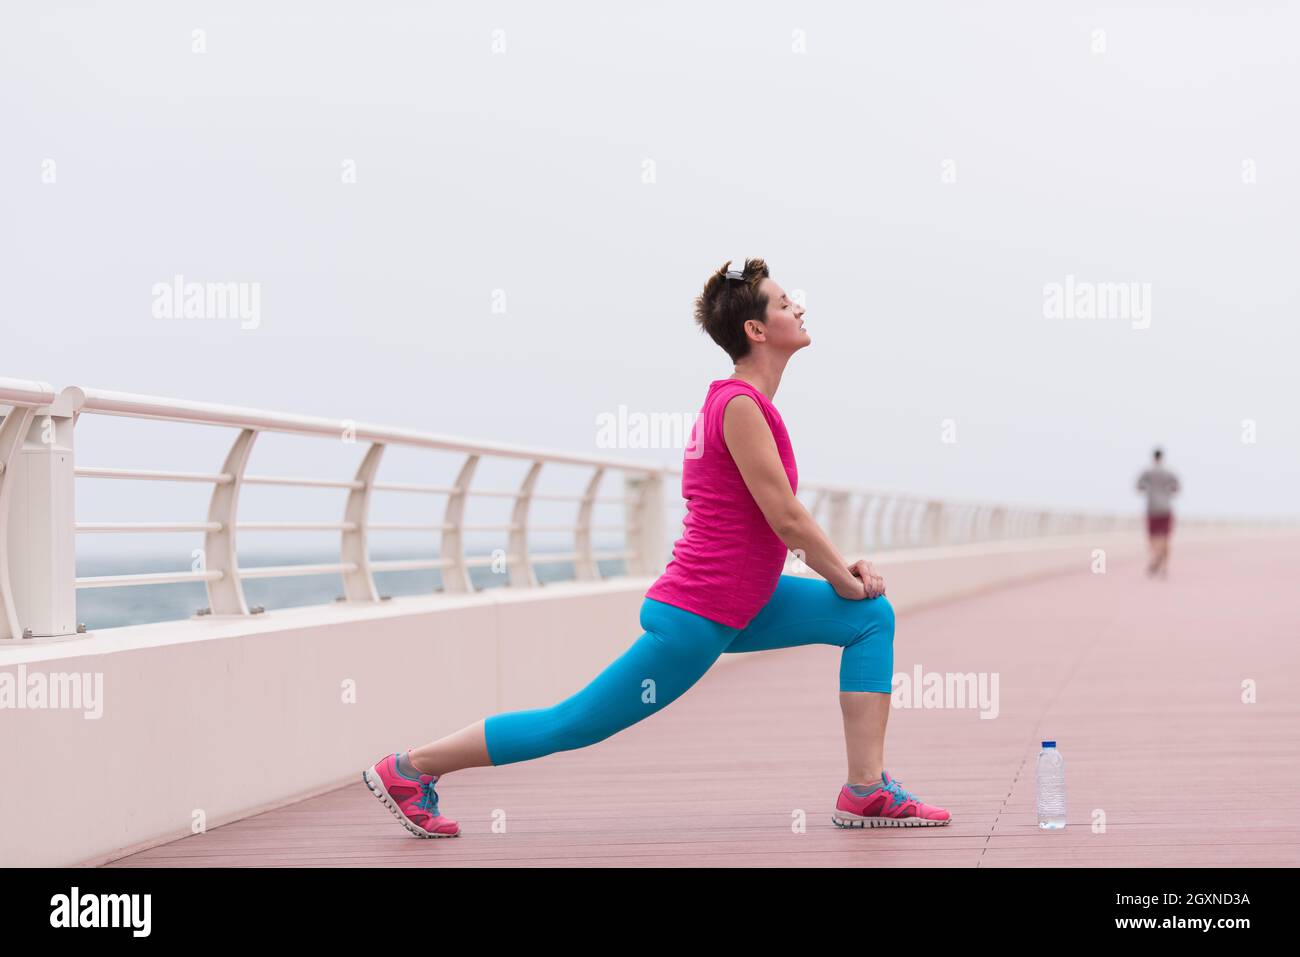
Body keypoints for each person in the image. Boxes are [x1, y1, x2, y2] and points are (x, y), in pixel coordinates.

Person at [361, 257, 951, 837]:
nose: (798, 306)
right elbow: (787, 518)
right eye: (783, 301)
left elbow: (768, 520)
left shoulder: (743, 404)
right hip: (701, 613)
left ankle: (865, 790)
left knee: (869, 616)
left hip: (742, 600)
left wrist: (840, 575)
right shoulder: (740, 406)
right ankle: (410, 769)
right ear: (756, 330)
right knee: (570, 724)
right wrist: (840, 579)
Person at [1136, 447, 1180, 578]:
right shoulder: (1169, 472)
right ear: (1162, 457)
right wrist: (1166, 491)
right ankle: (1164, 566)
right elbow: (1176, 488)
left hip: (1152, 508)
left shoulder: (1147, 472)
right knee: (1166, 538)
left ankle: (1156, 557)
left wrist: (1150, 490)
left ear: (1153, 457)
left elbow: (1139, 487)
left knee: (1153, 537)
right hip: (1166, 508)